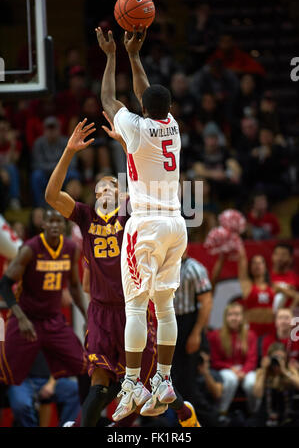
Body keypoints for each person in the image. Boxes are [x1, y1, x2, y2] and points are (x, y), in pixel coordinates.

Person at [45, 142, 200, 427]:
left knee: (147, 389)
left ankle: (182, 409)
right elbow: (51, 195)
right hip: (102, 313)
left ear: (122, 193)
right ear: (94, 196)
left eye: (112, 187)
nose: (106, 192)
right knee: (101, 386)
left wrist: (129, 145)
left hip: (135, 311)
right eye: (100, 189)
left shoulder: (133, 214)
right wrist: (68, 151)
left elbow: (159, 186)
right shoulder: (85, 216)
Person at [95, 24, 188, 422]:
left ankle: (132, 382)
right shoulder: (173, 126)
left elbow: (108, 98)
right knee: (164, 307)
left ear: (144, 108)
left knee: (136, 307)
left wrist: (113, 54)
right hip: (177, 226)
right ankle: (164, 379)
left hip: (146, 224)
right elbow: (146, 94)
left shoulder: (134, 126)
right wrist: (136, 57)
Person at [0, 210, 87, 387]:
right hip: (26, 320)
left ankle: (86, 416)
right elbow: (4, 285)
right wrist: (21, 318)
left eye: (59, 221)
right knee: (5, 375)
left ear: (64, 225)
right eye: (51, 221)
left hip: (53, 321)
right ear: (43, 225)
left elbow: (75, 286)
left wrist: (88, 316)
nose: (55, 225)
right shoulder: (29, 249)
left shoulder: (70, 249)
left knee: (84, 366)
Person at [172, 250, 213, 405]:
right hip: (168, 323)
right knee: (170, 379)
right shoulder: (163, 266)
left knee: (188, 382)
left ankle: (213, 421)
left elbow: (207, 301)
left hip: (187, 324)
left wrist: (197, 333)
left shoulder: (194, 268)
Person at [7, 351, 81, 427]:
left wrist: (51, 383)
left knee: (76, 390)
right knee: (21, 404)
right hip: (21, 380)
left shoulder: (52, 340)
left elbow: (59, 358)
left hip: (48, 378)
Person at [208, 302, 257, 414]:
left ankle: (253, 413)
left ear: (242, 317)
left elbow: (252, 359)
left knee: (252, 383)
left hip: (245, 369)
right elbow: (215, 361)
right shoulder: (215, 335)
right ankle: (222, 412)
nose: (234, 318)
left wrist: (243, 371)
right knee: (231, 379)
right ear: (226, 317)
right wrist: (231, 368)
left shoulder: (250, 335)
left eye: (237, 314)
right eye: (231, 314)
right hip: (226, 369)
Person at [31, 117, 80, 207]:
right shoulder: (38, 143)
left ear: (59, 129)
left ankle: (73, 206)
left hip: (64, 173)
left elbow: (73, 163)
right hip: (46, 174)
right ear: (44, 130)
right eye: (49, 128)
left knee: (74, 174)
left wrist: (58, 170)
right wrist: (58, 168)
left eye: (54, 128)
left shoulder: (67, 141)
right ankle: (41, 206)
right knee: (36, 176)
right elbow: (37, 164)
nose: (51, 131)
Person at [249, 342, 299, 427]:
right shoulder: (262, 372)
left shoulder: (290, 370)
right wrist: (264, 371)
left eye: (281, 358)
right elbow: (257, 394)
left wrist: (284, 372)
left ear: (285, 358)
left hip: (287, 416)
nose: (277, 361)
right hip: (266, 415)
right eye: (275, 358)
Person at [237, 245, 275, 338]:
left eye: (260, 263)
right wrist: (238, 244)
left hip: (271, 327)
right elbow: (242, 262)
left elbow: (296, 296)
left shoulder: (274, 287)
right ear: (250, 268)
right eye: (254, 263)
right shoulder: (247, 285)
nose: (257, 265)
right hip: (252, 328)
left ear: (265, 267)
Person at [270, 243, 299, 310]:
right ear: (272, 256)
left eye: (284, 255)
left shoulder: (296, 278)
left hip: (289, 317)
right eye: (277, 254)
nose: (279, 258)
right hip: (268, 316)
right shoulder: (265, 276)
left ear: (290, 258)